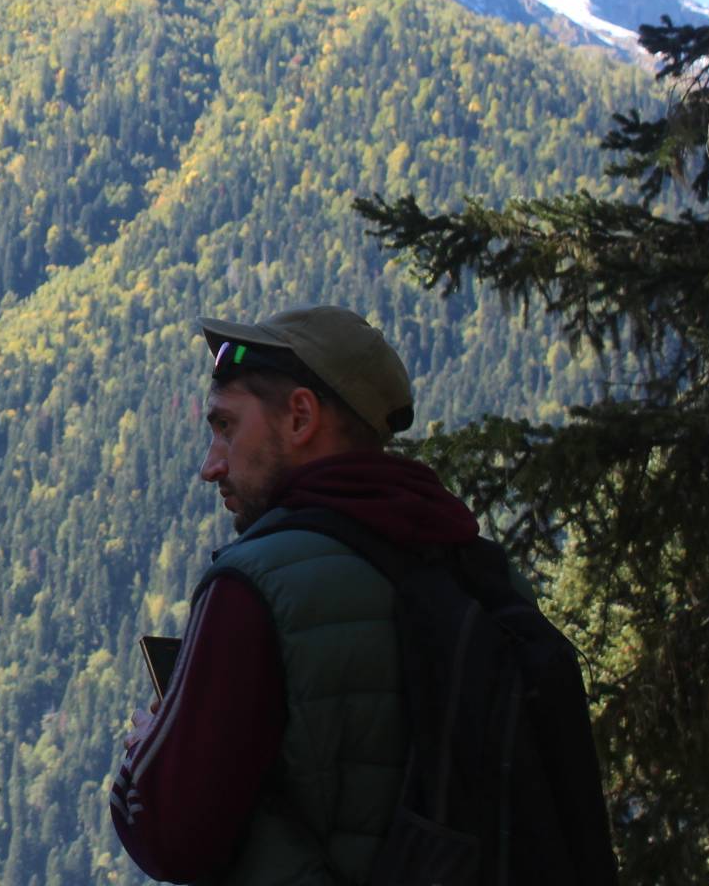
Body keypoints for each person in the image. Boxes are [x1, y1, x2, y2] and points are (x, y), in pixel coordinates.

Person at [107, 305, 479, 884]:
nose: (210, 466)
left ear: (300, 417)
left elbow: (172, 839)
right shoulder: (471, 566)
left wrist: (148, 750)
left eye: (226, 427)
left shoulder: (254, 585)